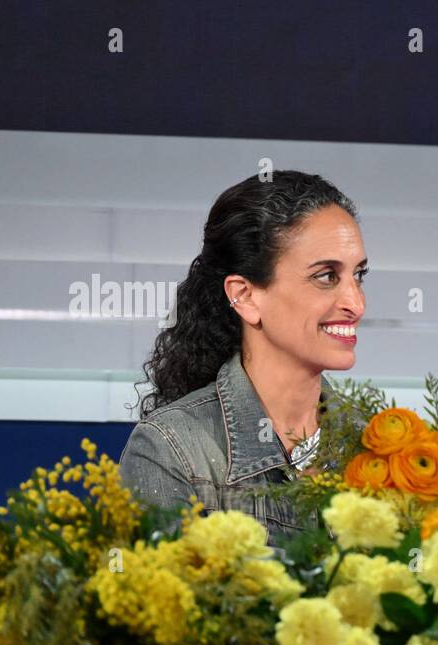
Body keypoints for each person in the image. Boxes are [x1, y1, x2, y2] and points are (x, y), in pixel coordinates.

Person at [120, 170, 365, 542]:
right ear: (246, 297)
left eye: (358, 275)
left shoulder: (383, 446)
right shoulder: (170, 449)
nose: (356, 304)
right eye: (326, 276)